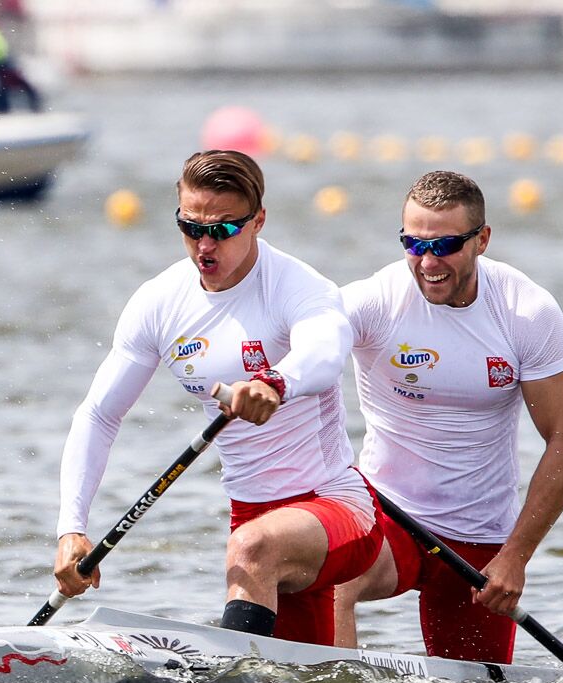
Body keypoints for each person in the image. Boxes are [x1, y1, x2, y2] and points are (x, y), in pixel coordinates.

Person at [53, 150, 384, 646]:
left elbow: (326, 350)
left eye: (224, 229)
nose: (205, 245)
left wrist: (276, 383)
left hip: (334, 506)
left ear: (258, 221)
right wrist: (71, 527)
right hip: (250, 514)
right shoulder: (159, 302)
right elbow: (100, 415)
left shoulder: (298, 286)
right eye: (191, 227)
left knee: (250, 552)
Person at [333, 170, 563, 664]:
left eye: (445, 244)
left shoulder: (526, 313)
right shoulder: (374, 300)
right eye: (413, 243)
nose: (427, 262)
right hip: (391, 516)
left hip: (481, 541)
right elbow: (300, 346)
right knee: (334, 580)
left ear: (482, 240)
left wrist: (514, 558)